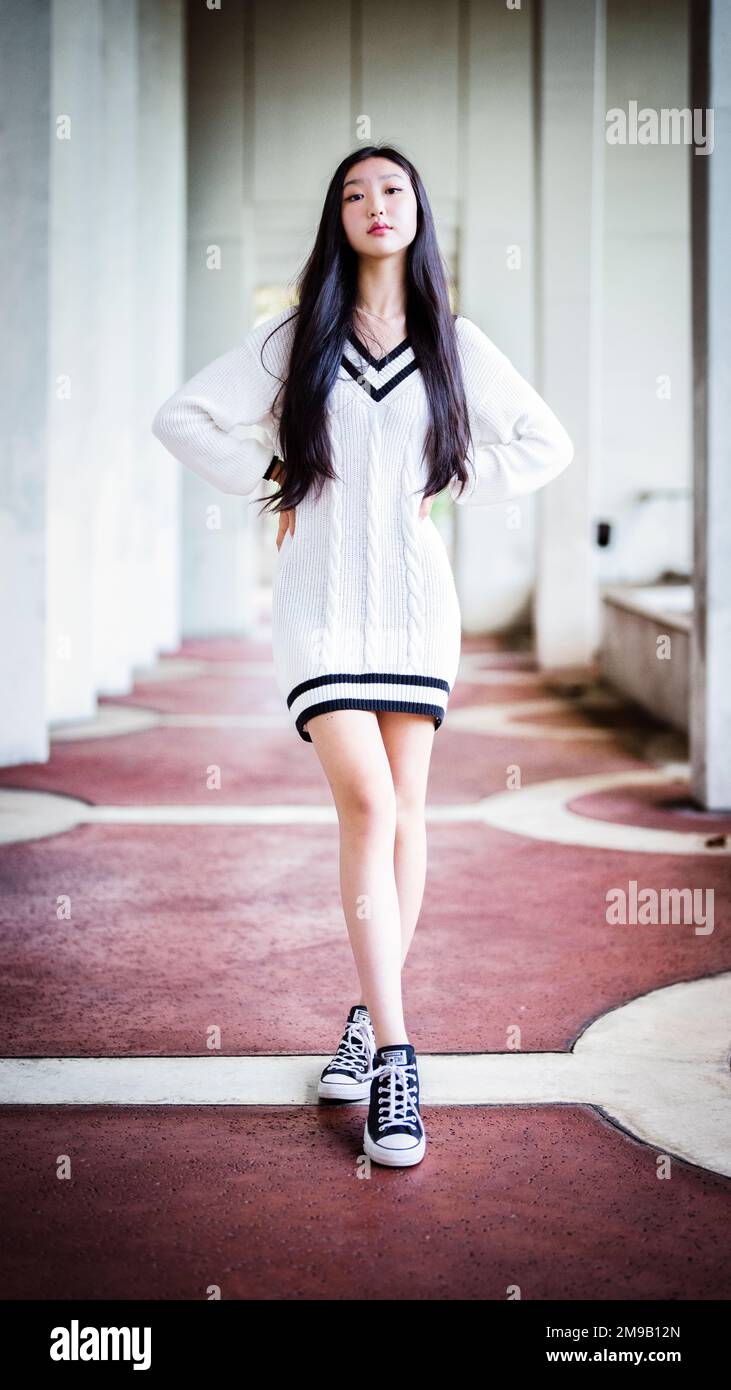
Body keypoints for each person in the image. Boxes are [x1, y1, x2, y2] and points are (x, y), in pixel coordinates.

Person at [151, 143, 574, 1169]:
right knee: (371, 808)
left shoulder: (452, 342)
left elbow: (544, 443)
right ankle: (395, 1055)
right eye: (353, 193)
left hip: (416, 609)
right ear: (336, 219)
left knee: (409, 815)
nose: (374, 205)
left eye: (391, 190)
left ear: (418, 210)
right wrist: (278, 470)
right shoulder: (298, 335)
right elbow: (181, 417)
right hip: (319, 613)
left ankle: (361, 1013)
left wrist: (448, 477)